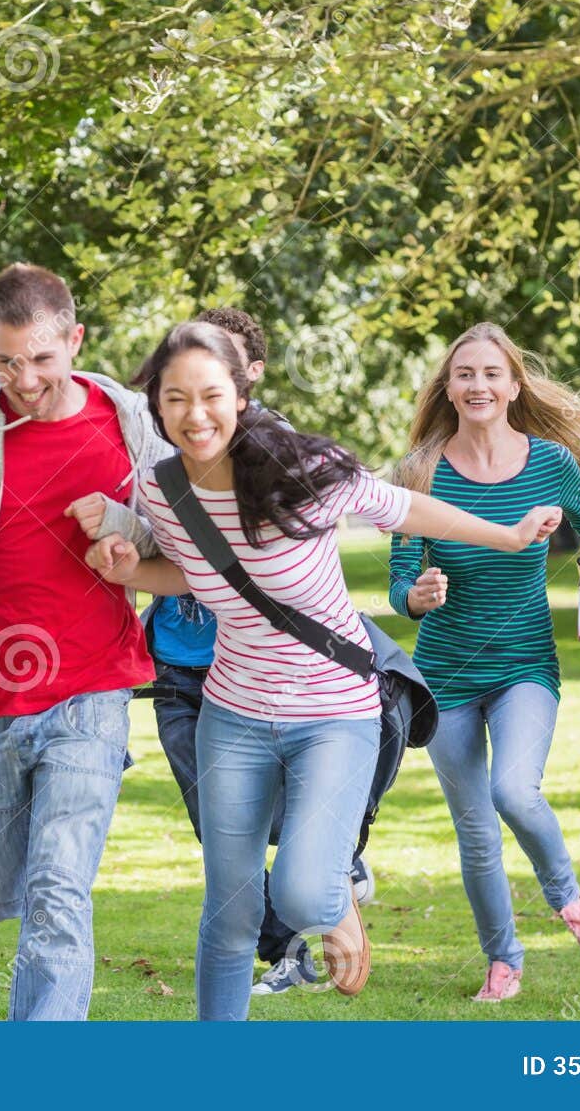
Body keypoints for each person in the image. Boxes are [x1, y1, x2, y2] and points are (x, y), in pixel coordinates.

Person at [84, 321, 561, 1021]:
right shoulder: (162, 490)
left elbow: (408, 507)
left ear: (240, 395)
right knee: (231, 908)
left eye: (210, 395)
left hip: (335, 712)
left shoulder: (305, 470)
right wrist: (131, 569)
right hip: (232, 715)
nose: (194, 414)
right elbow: (194, 574)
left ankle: (335, 904)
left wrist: (509, 535)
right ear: (156, 404)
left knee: (303, 893)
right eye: (175, 398)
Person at [0, 263, 162, 1021]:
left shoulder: (130, 420)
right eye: (6, 361)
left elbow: (169, 532)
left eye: (42, 358)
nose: (25, 379)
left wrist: (121, 523)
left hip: (92, 688)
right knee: (0, 890)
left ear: (75, 339)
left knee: (58, 889)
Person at [88, 306, 374, 998]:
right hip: (183, 668)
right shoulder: (168, 453)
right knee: (226, 870)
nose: (196, 404)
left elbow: (311, 536)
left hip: (287, 681)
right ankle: (283, 942)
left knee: (297, 836)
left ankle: (327, 885)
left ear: (249, 376)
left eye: (220, 373)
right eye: (180, 386)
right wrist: (117, 538)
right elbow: (168, 545)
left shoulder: (275, 451)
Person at [389, 321, 580, 1003]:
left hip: (525, 665)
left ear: (513, 386)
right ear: (448, 388)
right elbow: (399, 579)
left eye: (491, 373)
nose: (478, 385)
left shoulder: (550, 462)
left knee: (514, 791)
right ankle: (503, 961)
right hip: (443, 677)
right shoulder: (420, 471)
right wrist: (416, 595)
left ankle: (572, 901)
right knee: (476, 832)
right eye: (464, 374)